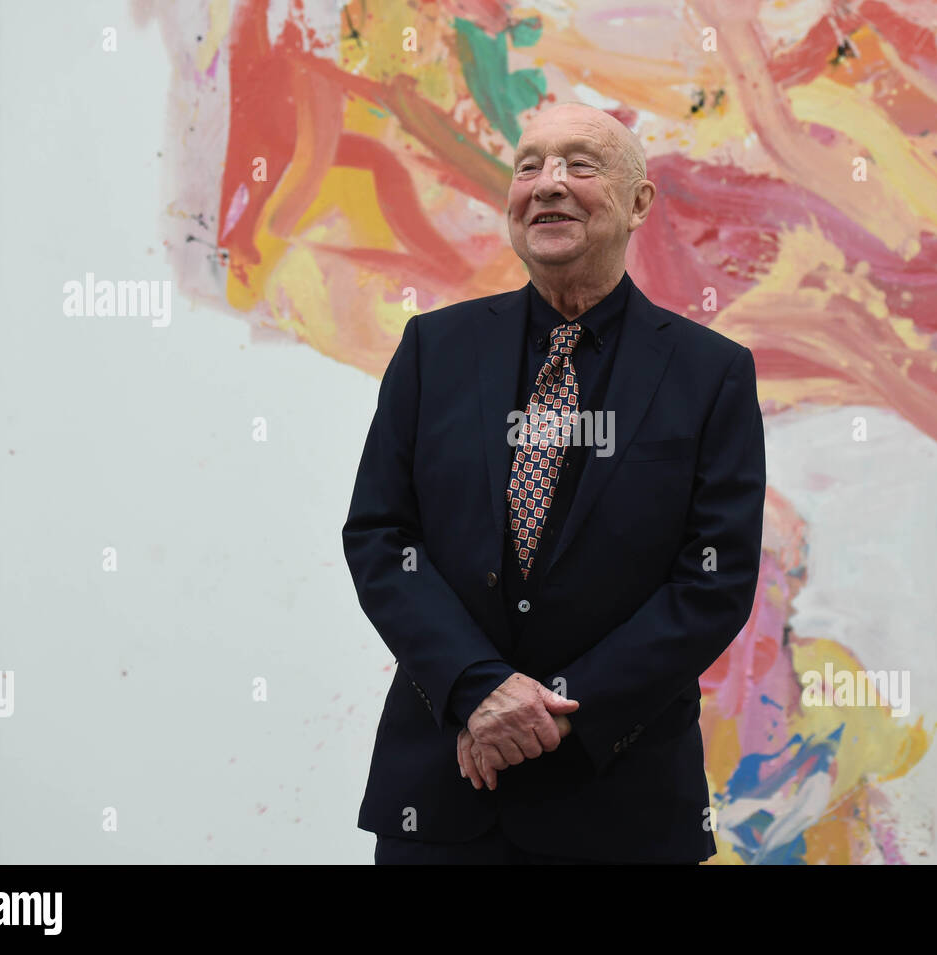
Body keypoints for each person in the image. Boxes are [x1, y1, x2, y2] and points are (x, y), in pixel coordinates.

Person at [342, 101, 765, 864]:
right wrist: (478, 687)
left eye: (580, 164)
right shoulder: (433, 350)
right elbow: (380, 537)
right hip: (444, 794)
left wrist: (558, 710)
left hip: (620, 803)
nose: (547, 184)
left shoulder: (712, 375)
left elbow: (713, 582)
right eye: (529, 165)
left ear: (640, 203)